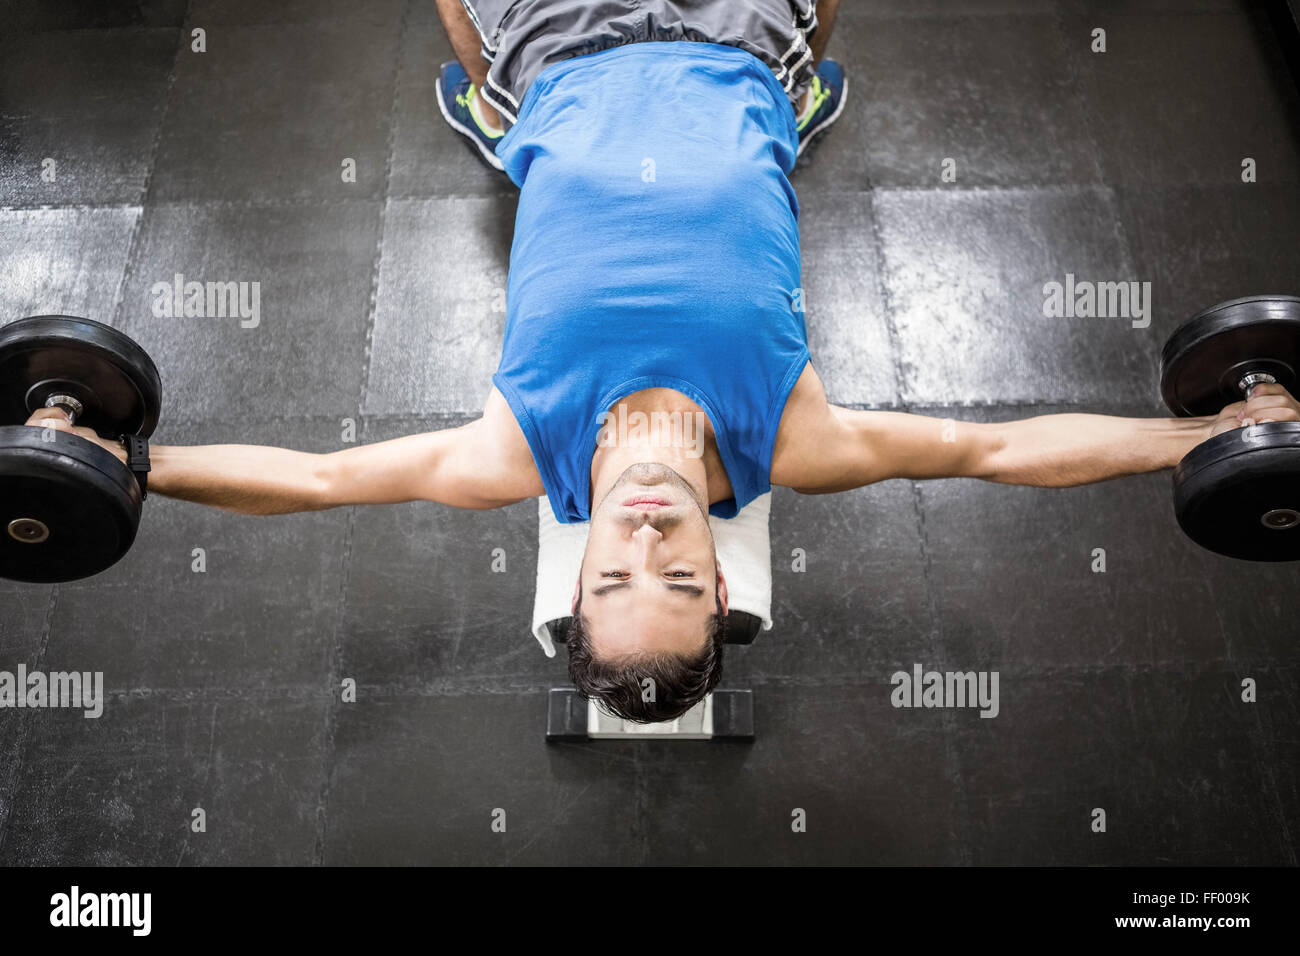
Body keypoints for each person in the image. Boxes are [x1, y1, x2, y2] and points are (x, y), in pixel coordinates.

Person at [28, 1, 1300, 725]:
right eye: (682, 571)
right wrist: (1203, 440)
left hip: (557, 41)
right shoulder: (794, 441)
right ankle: (807, 86)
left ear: (573, 569)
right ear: (714, 575)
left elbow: (310, 482)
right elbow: (1000, 448)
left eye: (619, 568)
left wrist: (130, 465)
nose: (644, 533)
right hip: (734, 35)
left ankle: (486, 109)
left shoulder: (510, 452)